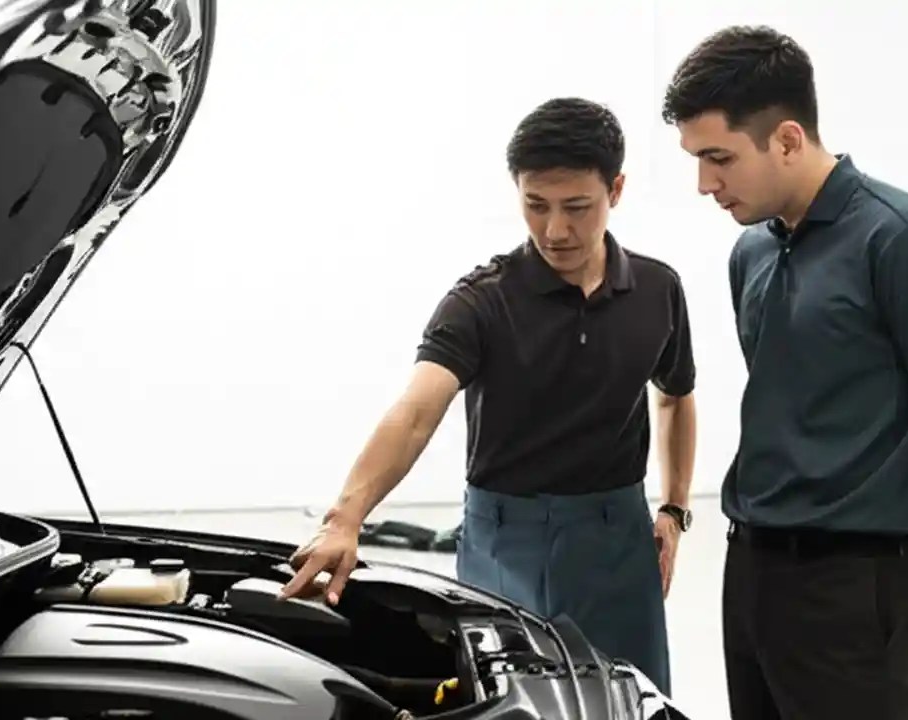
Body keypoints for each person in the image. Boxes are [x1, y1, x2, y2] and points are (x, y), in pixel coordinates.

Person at [280, 97, 698, 697]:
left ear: (617, 190)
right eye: (536, 205)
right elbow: (416, 412)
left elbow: (675, 394)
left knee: (629, 700)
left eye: (577, 207)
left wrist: (674, 509)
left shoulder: (658, 290)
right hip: (505, 538)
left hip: (616, 537)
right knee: (507, 702)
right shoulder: (480, 301)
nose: (555, 230)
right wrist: (345, 518)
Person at [660, 25, 908, 720]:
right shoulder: (753, 253)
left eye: (719, 158)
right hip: (751, 569)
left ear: (788, 139)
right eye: (697, 160)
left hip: (854, 586)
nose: (704, 184)